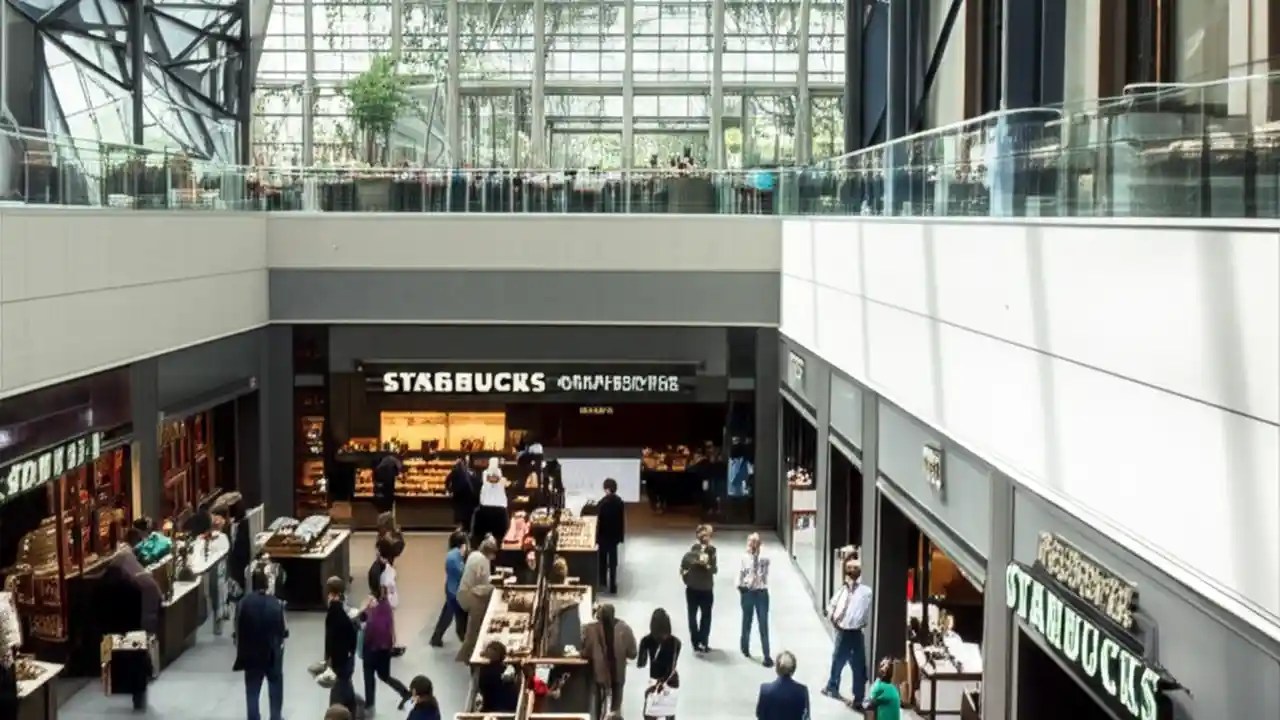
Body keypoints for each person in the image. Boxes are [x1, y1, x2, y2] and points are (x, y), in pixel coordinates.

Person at [235, 570, 288, 720]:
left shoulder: (244, 603)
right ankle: (275, 716)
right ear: (266, 584)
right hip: (271, 653)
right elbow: (282, 630)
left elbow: (238, 629)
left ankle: (253, 717)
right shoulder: (275, 603)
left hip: (251, 654)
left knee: (252, 690)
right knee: (275, 686)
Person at [821, 556, 872, 706]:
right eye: (848, 569)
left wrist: (847, 622)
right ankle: (832, 686)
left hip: (854, 632)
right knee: (837, 660)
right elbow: (832, 604)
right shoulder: (843, 590)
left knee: (858, 665)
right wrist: (833, 618)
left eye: (852, 569)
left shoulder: (865, 592)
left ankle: (858, 697)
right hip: (842, 631)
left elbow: (859, 615)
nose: (849, 572)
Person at [581, 603, 637, 718]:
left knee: (597, 705)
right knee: (615, 707)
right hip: (618, 676)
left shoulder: (590, 630)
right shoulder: (624, 629)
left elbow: (585, 653)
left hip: (599, 676)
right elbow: (633, 653)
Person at [361, 581, 411, 711]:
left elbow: (367, 625)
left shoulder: (373, 610)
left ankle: (369, 703)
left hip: (372, 648)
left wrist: (366, 609)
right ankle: (404, 692)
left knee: (368, 675)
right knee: (384, 675)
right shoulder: (386, 607)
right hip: (385, 648)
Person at [455, 535, 498, 663]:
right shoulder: (483, 561)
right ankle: (466, 657)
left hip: (463, 593)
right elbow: (485, 582)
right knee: (473, 631)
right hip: (472, 596)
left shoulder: (474, 554)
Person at [679, 524, 717, 652]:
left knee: (692, 615)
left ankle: (696, 642)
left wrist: (687, 580)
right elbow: (714, 569)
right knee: (705, 616)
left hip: (692, 589)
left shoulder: (690, 554)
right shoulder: (710, 552)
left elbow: (682, 569)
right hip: (705, 589)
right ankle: (703, 641)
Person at [637, 608, 681, 720]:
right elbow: (672, 664)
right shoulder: (676, 642)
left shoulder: (646, 641)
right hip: (671, 680)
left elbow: (641, 663)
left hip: (654, 679)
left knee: (650, 712)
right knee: (669, 711)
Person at [323, 576, 358, 714]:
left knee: (337, 694)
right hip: (347, 658)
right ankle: (352, 711)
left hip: (340, 661)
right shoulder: (345, 610)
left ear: (331, 594)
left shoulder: (334, 613)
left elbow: (330, 639)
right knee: (346, 688)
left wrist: (328, 659)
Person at [737, 532, 772, 667]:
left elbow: (763, 575)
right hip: (748, 591)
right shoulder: (744, 557)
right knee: (747, 621)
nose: (752, 545)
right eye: (750, 542)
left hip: (761, 592)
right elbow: (741, 572)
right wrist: (740, 586)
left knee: (763, 623)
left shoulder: (764, 558)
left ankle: (767, 655)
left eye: (755, 542)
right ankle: (744, 647)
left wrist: (757, 558)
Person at [429, 531, 468, 647]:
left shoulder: (452, 555)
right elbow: (462, 572)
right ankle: (464, 641)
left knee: (447, 614)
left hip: (451, 588)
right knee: (457, 618)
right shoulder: (454, 557)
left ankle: (436, 637)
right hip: (455, 592)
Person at [755, 651, 810, 720]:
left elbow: (760, 714)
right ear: (793, 669)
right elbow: (806, 717)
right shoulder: (802, 691)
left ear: (777, 669)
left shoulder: (765, 690)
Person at [595, 478, 626, 594]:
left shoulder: (602, 503)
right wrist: (620, 537)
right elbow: (621, 521)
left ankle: (603, 582)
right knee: (613, 562)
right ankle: (613, 585)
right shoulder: (619, 502)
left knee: (602, 560)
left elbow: (599, 521)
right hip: (614, 537)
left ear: (606, 488)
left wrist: (596, 536)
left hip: (603, 536)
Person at [472, 458, 510, 547]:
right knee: (498, 538)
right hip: (499, 512)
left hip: (485, 511)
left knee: (481, 539)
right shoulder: (499, 481)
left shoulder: (485, 481)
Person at [475, 641, 520, 712]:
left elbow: (482, 689)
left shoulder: (484, 670)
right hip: (509, 707)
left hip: (493, 708)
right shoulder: (505, 669)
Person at [447, 455, 479, 532]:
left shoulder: (456, 471)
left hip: (459, 495)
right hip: (467, 496)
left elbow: (447, 480)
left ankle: (461, 527)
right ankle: (465, 527)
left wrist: (450, 490)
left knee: (460, 512)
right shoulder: (470, 472)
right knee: (466, 513)